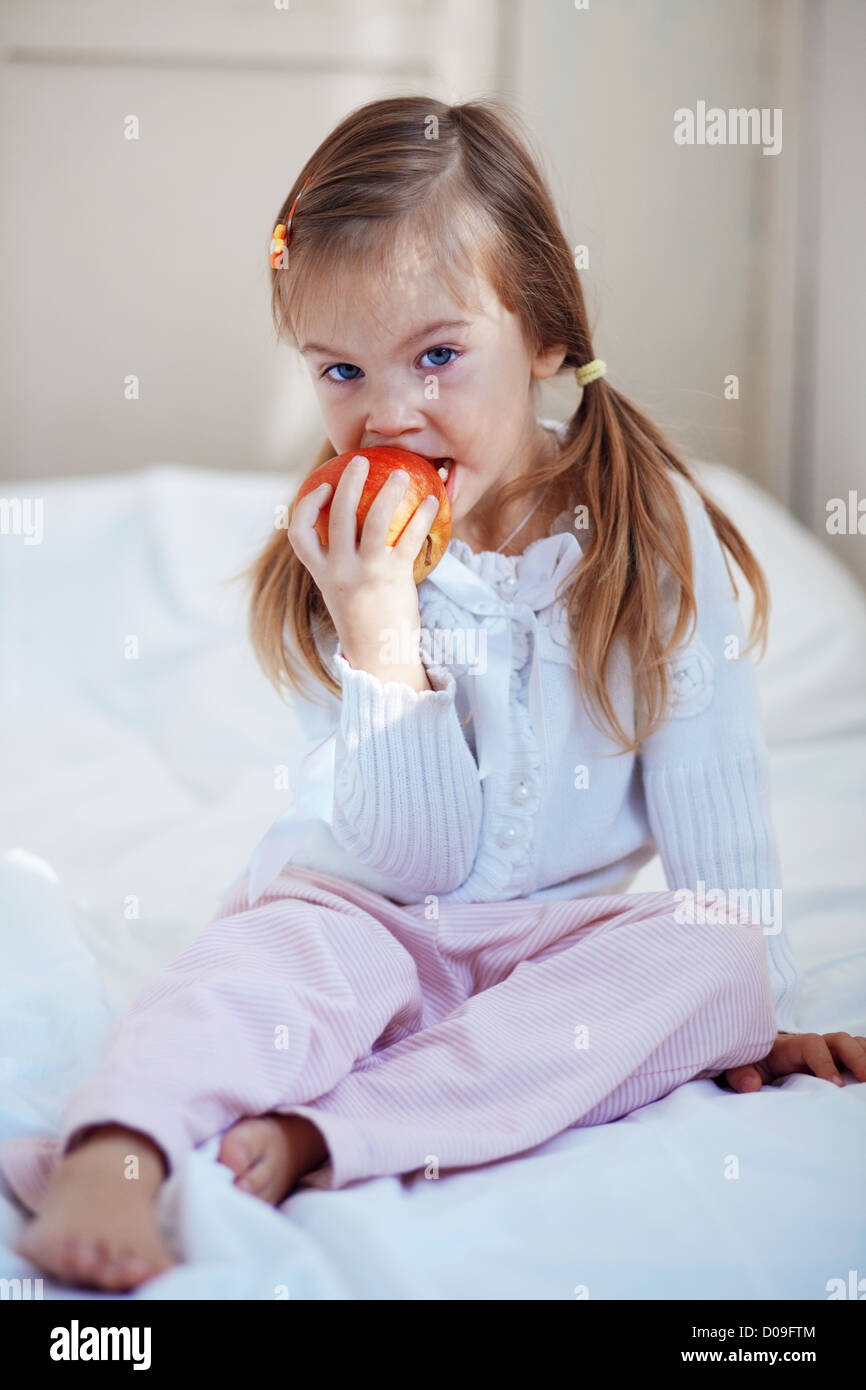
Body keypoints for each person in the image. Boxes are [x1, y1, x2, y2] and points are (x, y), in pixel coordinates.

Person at [5, 95, 865, 1294]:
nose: (388, 409)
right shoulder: (335, 556)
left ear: (547, 337)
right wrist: (376, 619)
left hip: (544, 955)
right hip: (362, 911)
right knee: (251, 968)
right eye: (341, 368)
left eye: (438, 355)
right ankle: (117, 1152)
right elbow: (409, 858)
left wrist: (744, 998)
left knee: (710, 962)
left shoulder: (653, 535)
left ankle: (327, 1134)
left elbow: (709, 788)